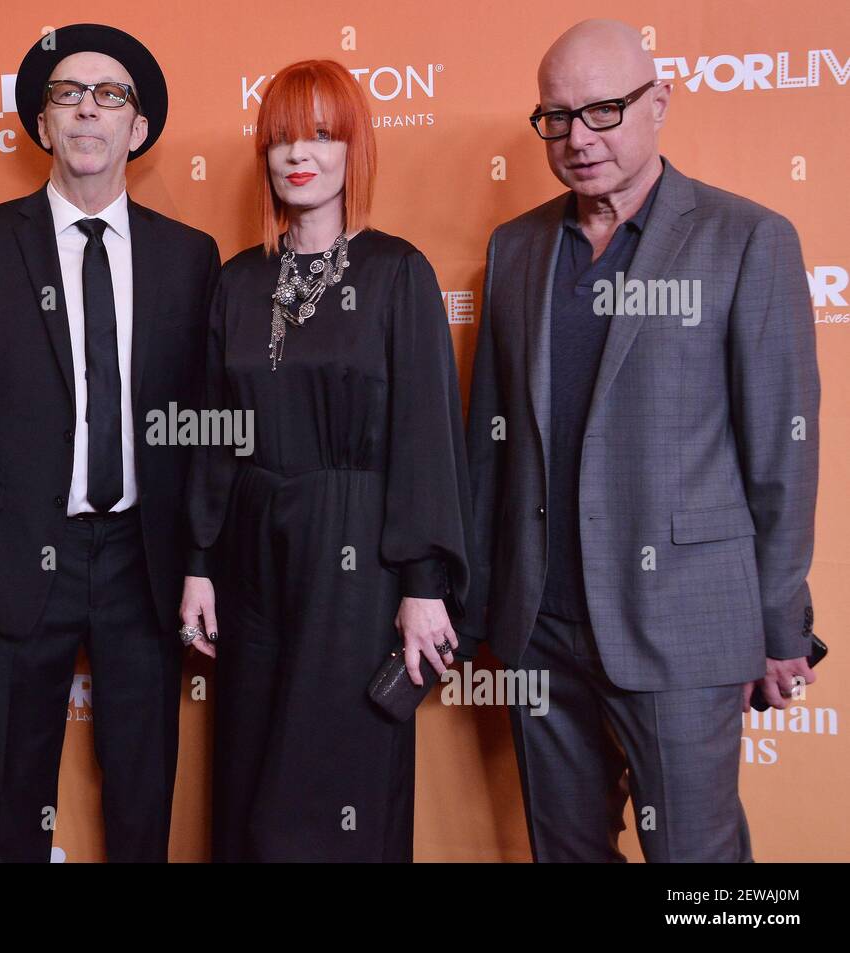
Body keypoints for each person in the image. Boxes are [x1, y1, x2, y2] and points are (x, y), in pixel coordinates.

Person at [460, 19, 821, 862]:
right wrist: (479, 606)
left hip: (682, 626)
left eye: (604, 111)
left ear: (659, 103)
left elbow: (781, 453)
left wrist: (778, 629)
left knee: (697, 863)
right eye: (556, 117)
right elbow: (491, 447)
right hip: (540, 626)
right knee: (566, 851)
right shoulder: (515, 250)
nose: (579, 139)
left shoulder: (746, 239)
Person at [0, 23, 220, 862]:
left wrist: (201, 560)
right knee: (13, 803)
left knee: (142, 799)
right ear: (42, 124)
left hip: (143, 559)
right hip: (12, 556)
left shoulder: (191, 258)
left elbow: (199, 432)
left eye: (110, 95)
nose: (89, 110)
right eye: (68, 94)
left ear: (139, 128)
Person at [181, 59, 473, 862]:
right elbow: (211, 427)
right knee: (248, 777)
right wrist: (200, 561)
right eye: (279, 138)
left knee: (331, 785)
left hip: (357, 558)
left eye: (319, 133)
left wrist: (421, 586)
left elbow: (425, 436)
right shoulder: (237, 281)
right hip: (250, 550)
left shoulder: (397, 272)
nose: (296, 154)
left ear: (355, 148)